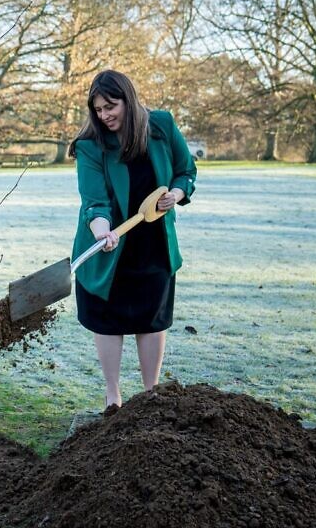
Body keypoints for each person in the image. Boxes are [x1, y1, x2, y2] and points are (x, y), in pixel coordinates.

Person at [69, 70, 196, 414]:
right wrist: (101, 230)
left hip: (154, 246)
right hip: (108, 250)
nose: (104, 115)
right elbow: (93, 200)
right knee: (108, 320)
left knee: (150, 319)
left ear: (129, 99)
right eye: (97, 109)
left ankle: (150, 396)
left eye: (111, 106)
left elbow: (187, 171)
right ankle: (113, 397)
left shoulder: (162, 126)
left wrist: (176, 193)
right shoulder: (90, 145)